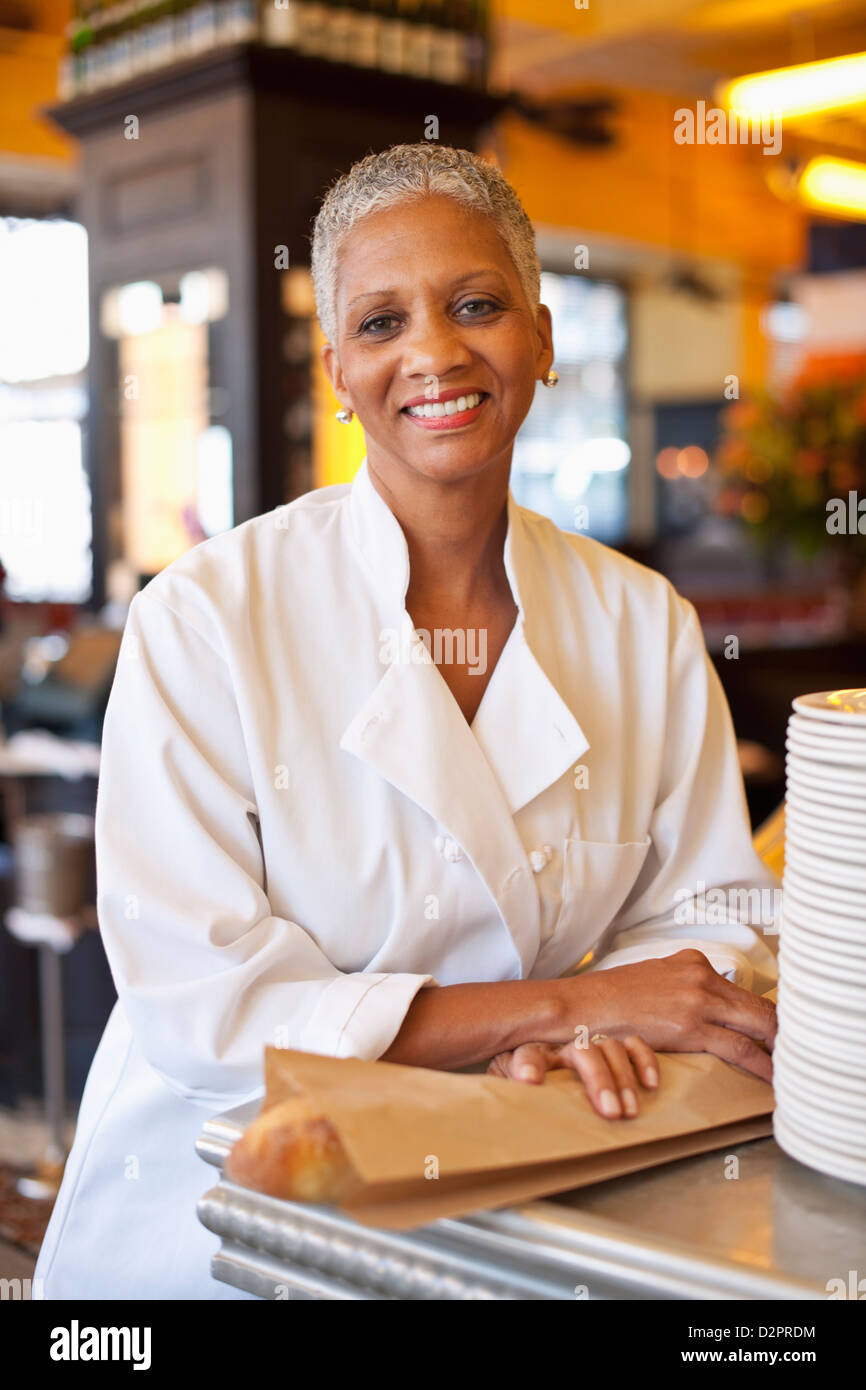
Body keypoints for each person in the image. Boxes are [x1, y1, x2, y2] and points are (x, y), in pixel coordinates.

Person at [35, 142, 778, 1301]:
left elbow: (709, 917)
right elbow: (211, 1010)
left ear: (536, 335)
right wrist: (565, 1004)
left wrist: (585, 1037)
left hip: (520, 1169)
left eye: (474, 304)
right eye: (381, 323)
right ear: (337, 367)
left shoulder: (642, 622)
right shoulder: (207, 616)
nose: (433, 351)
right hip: (223, 1213)